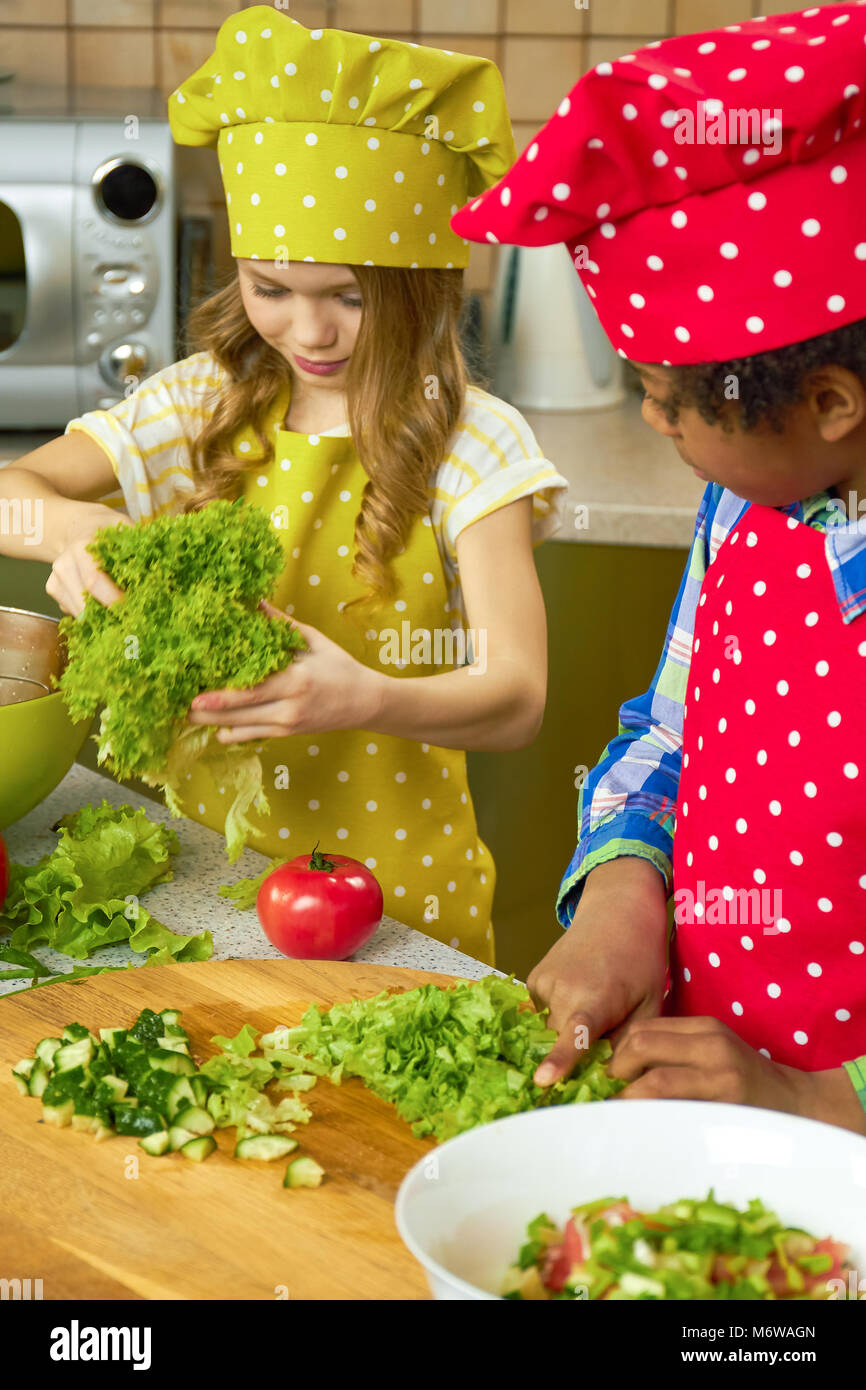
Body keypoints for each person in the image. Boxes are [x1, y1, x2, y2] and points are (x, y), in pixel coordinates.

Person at [0, 8, 568, 966]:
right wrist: (67, 530)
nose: (309, 334)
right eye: (271, 288)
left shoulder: (471, 437)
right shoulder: (199, 401)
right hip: (202, 884)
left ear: (420, 286)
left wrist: (363, 697)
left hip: (395, 910)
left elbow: (517, 697)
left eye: (349, 298)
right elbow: (13, 492)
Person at [452, 1, 866, 1127]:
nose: (646, 417)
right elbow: (674, 732)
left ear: (827, 404)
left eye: (672, 401)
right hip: (698, 1110)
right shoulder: (747, 499)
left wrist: (812, 1096)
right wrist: (621, 899)